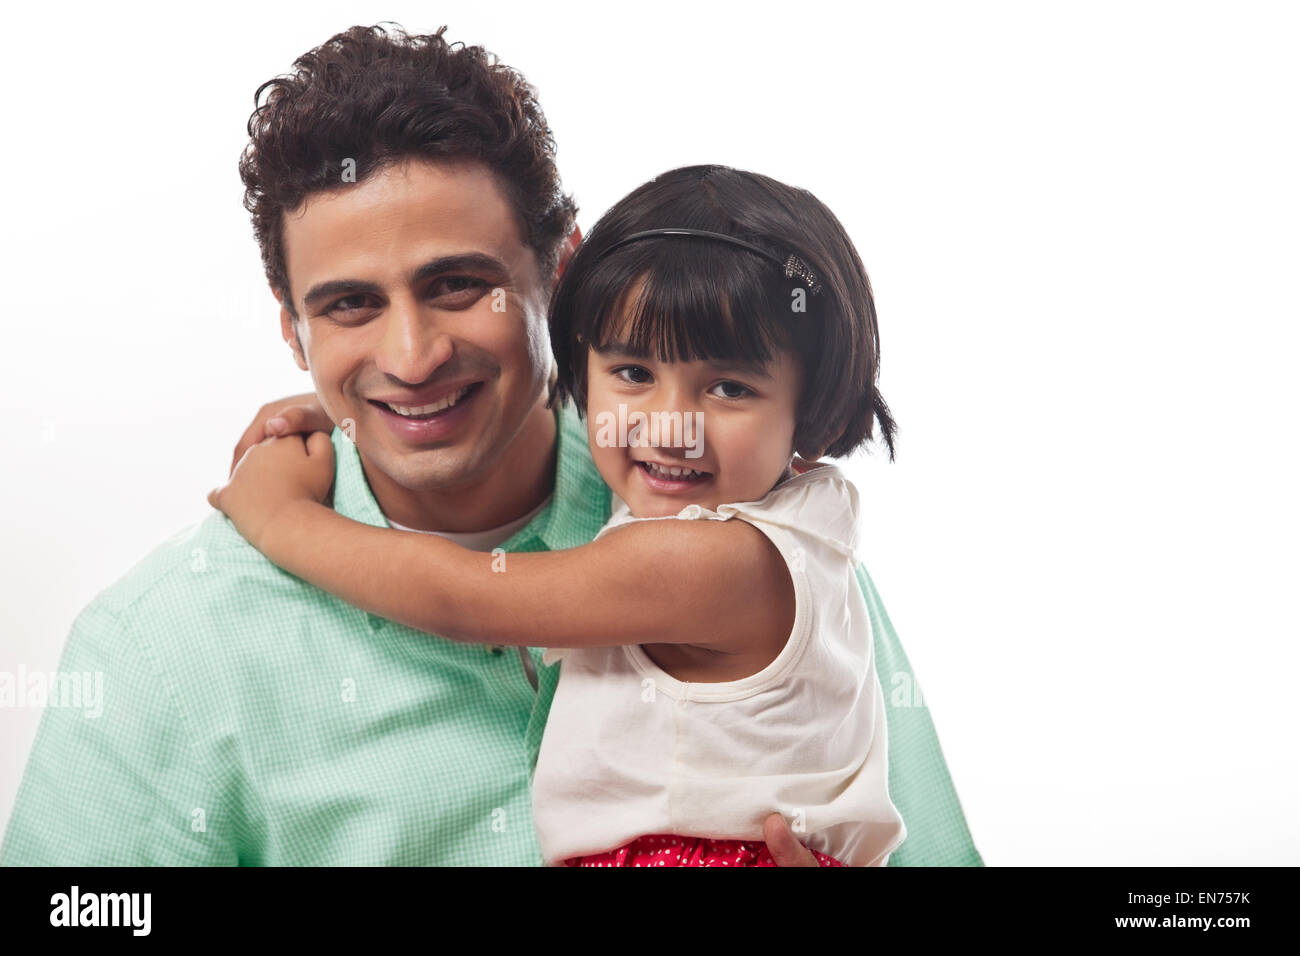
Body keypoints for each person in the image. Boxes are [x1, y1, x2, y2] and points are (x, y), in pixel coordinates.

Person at [1, 24, 981, 866]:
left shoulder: (743, 526)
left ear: (560, 271)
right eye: (350, 304)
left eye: (458, 285)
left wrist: (279, 512)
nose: (413, 354)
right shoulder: (160, 645)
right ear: (293, 328)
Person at [210, 164, 907, 867]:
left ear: (815, 418)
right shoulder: (797, 523)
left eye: (728, 388)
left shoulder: (716, 561)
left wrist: (279, 517)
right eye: (634, 373)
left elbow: (466, 595)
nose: (670, 428)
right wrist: (360, 413)